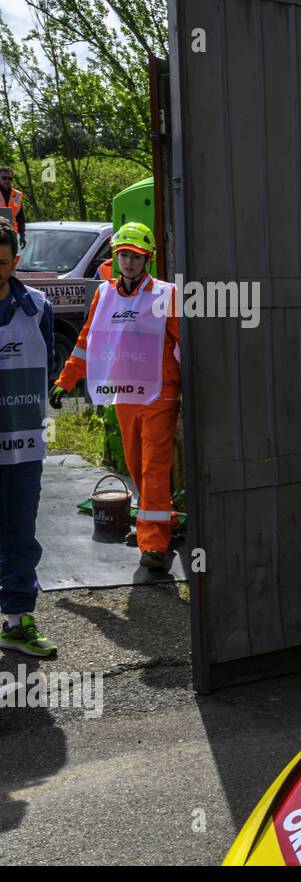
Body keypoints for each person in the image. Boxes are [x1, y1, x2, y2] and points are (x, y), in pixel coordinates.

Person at [49, 222, 181, 571]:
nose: (129, 262)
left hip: (159, 394)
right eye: (123, 255)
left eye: (136, 256)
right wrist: (66, 381)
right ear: (115, 257)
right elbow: (87, 341)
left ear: (148, 259)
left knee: (153, 466)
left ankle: (153, 543)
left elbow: (183, 344)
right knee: (135, 462)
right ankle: (161, 518)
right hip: (124, 395)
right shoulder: (103, 295)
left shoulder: (166, 294)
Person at [0, 220, 55, 656]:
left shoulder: (37, 306)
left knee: (20, 534)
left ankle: (16, 623)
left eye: (1, 262)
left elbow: (47, 367)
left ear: (15, 261)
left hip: (22, 449)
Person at [0, 168, 26, 248]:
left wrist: (22, 235)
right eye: (4, 178)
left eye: (10, 178)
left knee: (11, 260)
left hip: (12, 234)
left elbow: (20, 217)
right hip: (0, 234)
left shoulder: (17, 195)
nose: (7, 181)